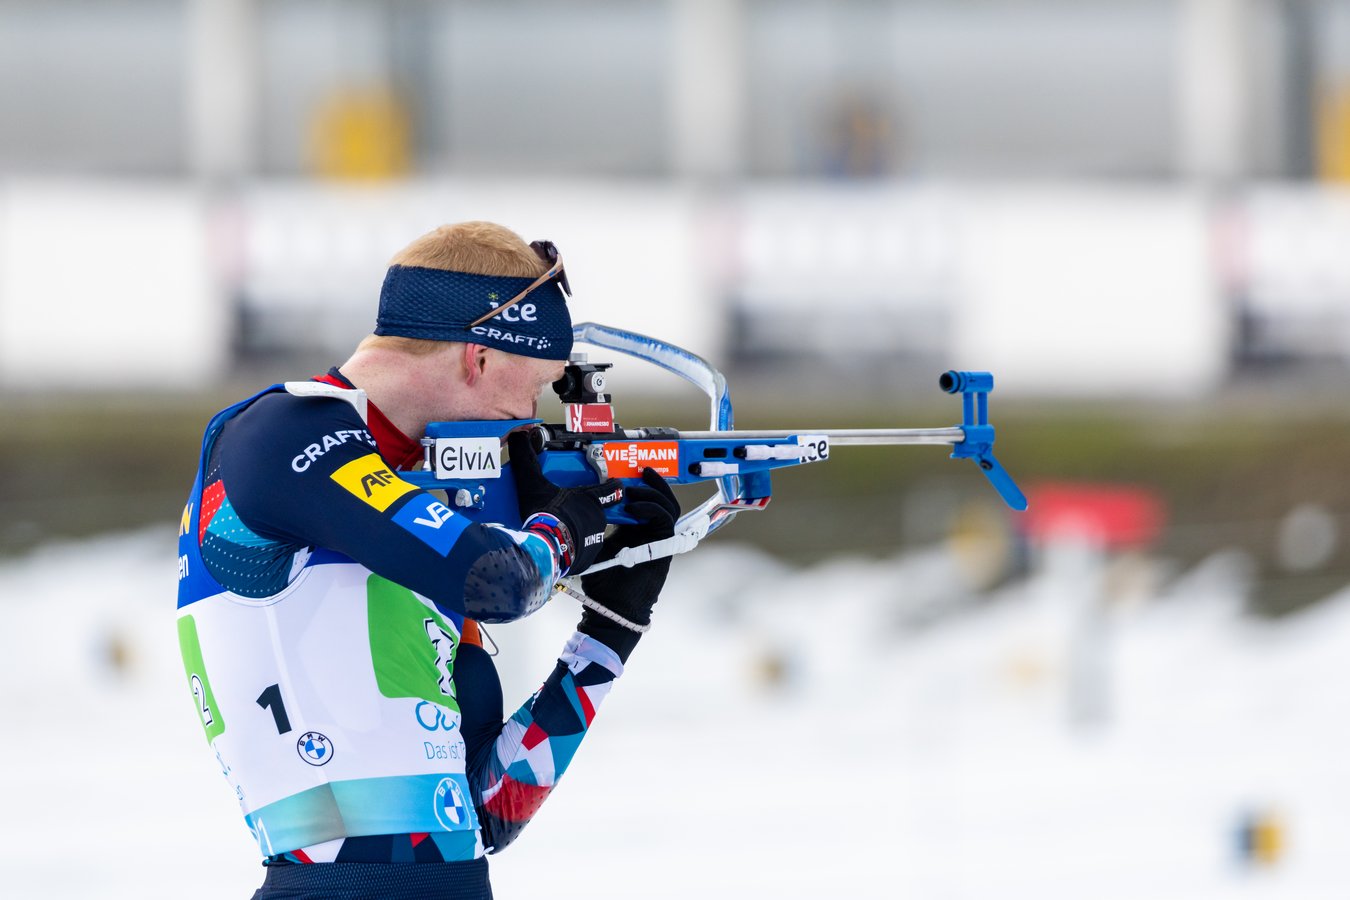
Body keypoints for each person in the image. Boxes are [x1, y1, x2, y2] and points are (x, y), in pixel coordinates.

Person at [175, 221, 679, 899]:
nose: (530, 416)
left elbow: (485, 815)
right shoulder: (279, 436)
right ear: (479, 358)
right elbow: (498, 580)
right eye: (533, 389)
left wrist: (613, 626)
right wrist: (565, 529)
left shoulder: (416, 513)